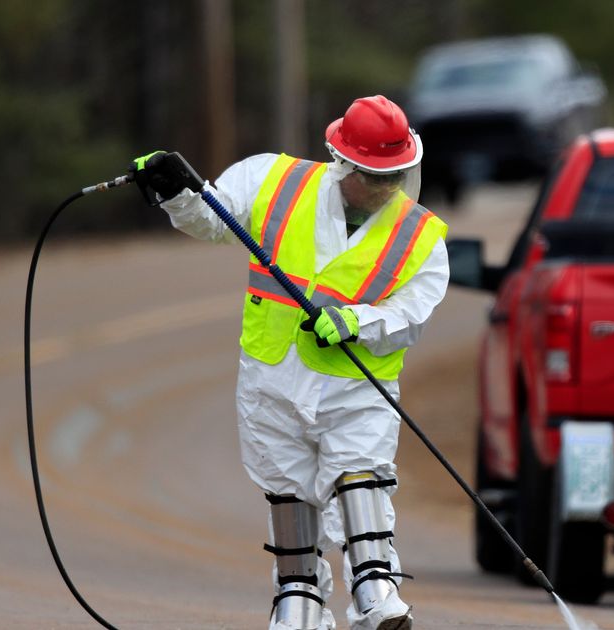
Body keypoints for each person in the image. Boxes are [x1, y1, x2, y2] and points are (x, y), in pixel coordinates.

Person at [131, 95, 448, 630]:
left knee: (360, 474)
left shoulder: (421, 236)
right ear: (342, 162)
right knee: (290, 490)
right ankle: (298, 598)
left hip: (356, 384)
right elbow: (213, 215)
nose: (384, 189)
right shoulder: (273, 181)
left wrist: (357, 322)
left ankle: (376, 593)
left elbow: (413, 311)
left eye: (394, 176)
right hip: (272, 377)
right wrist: (175, 193)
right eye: (373, 176)